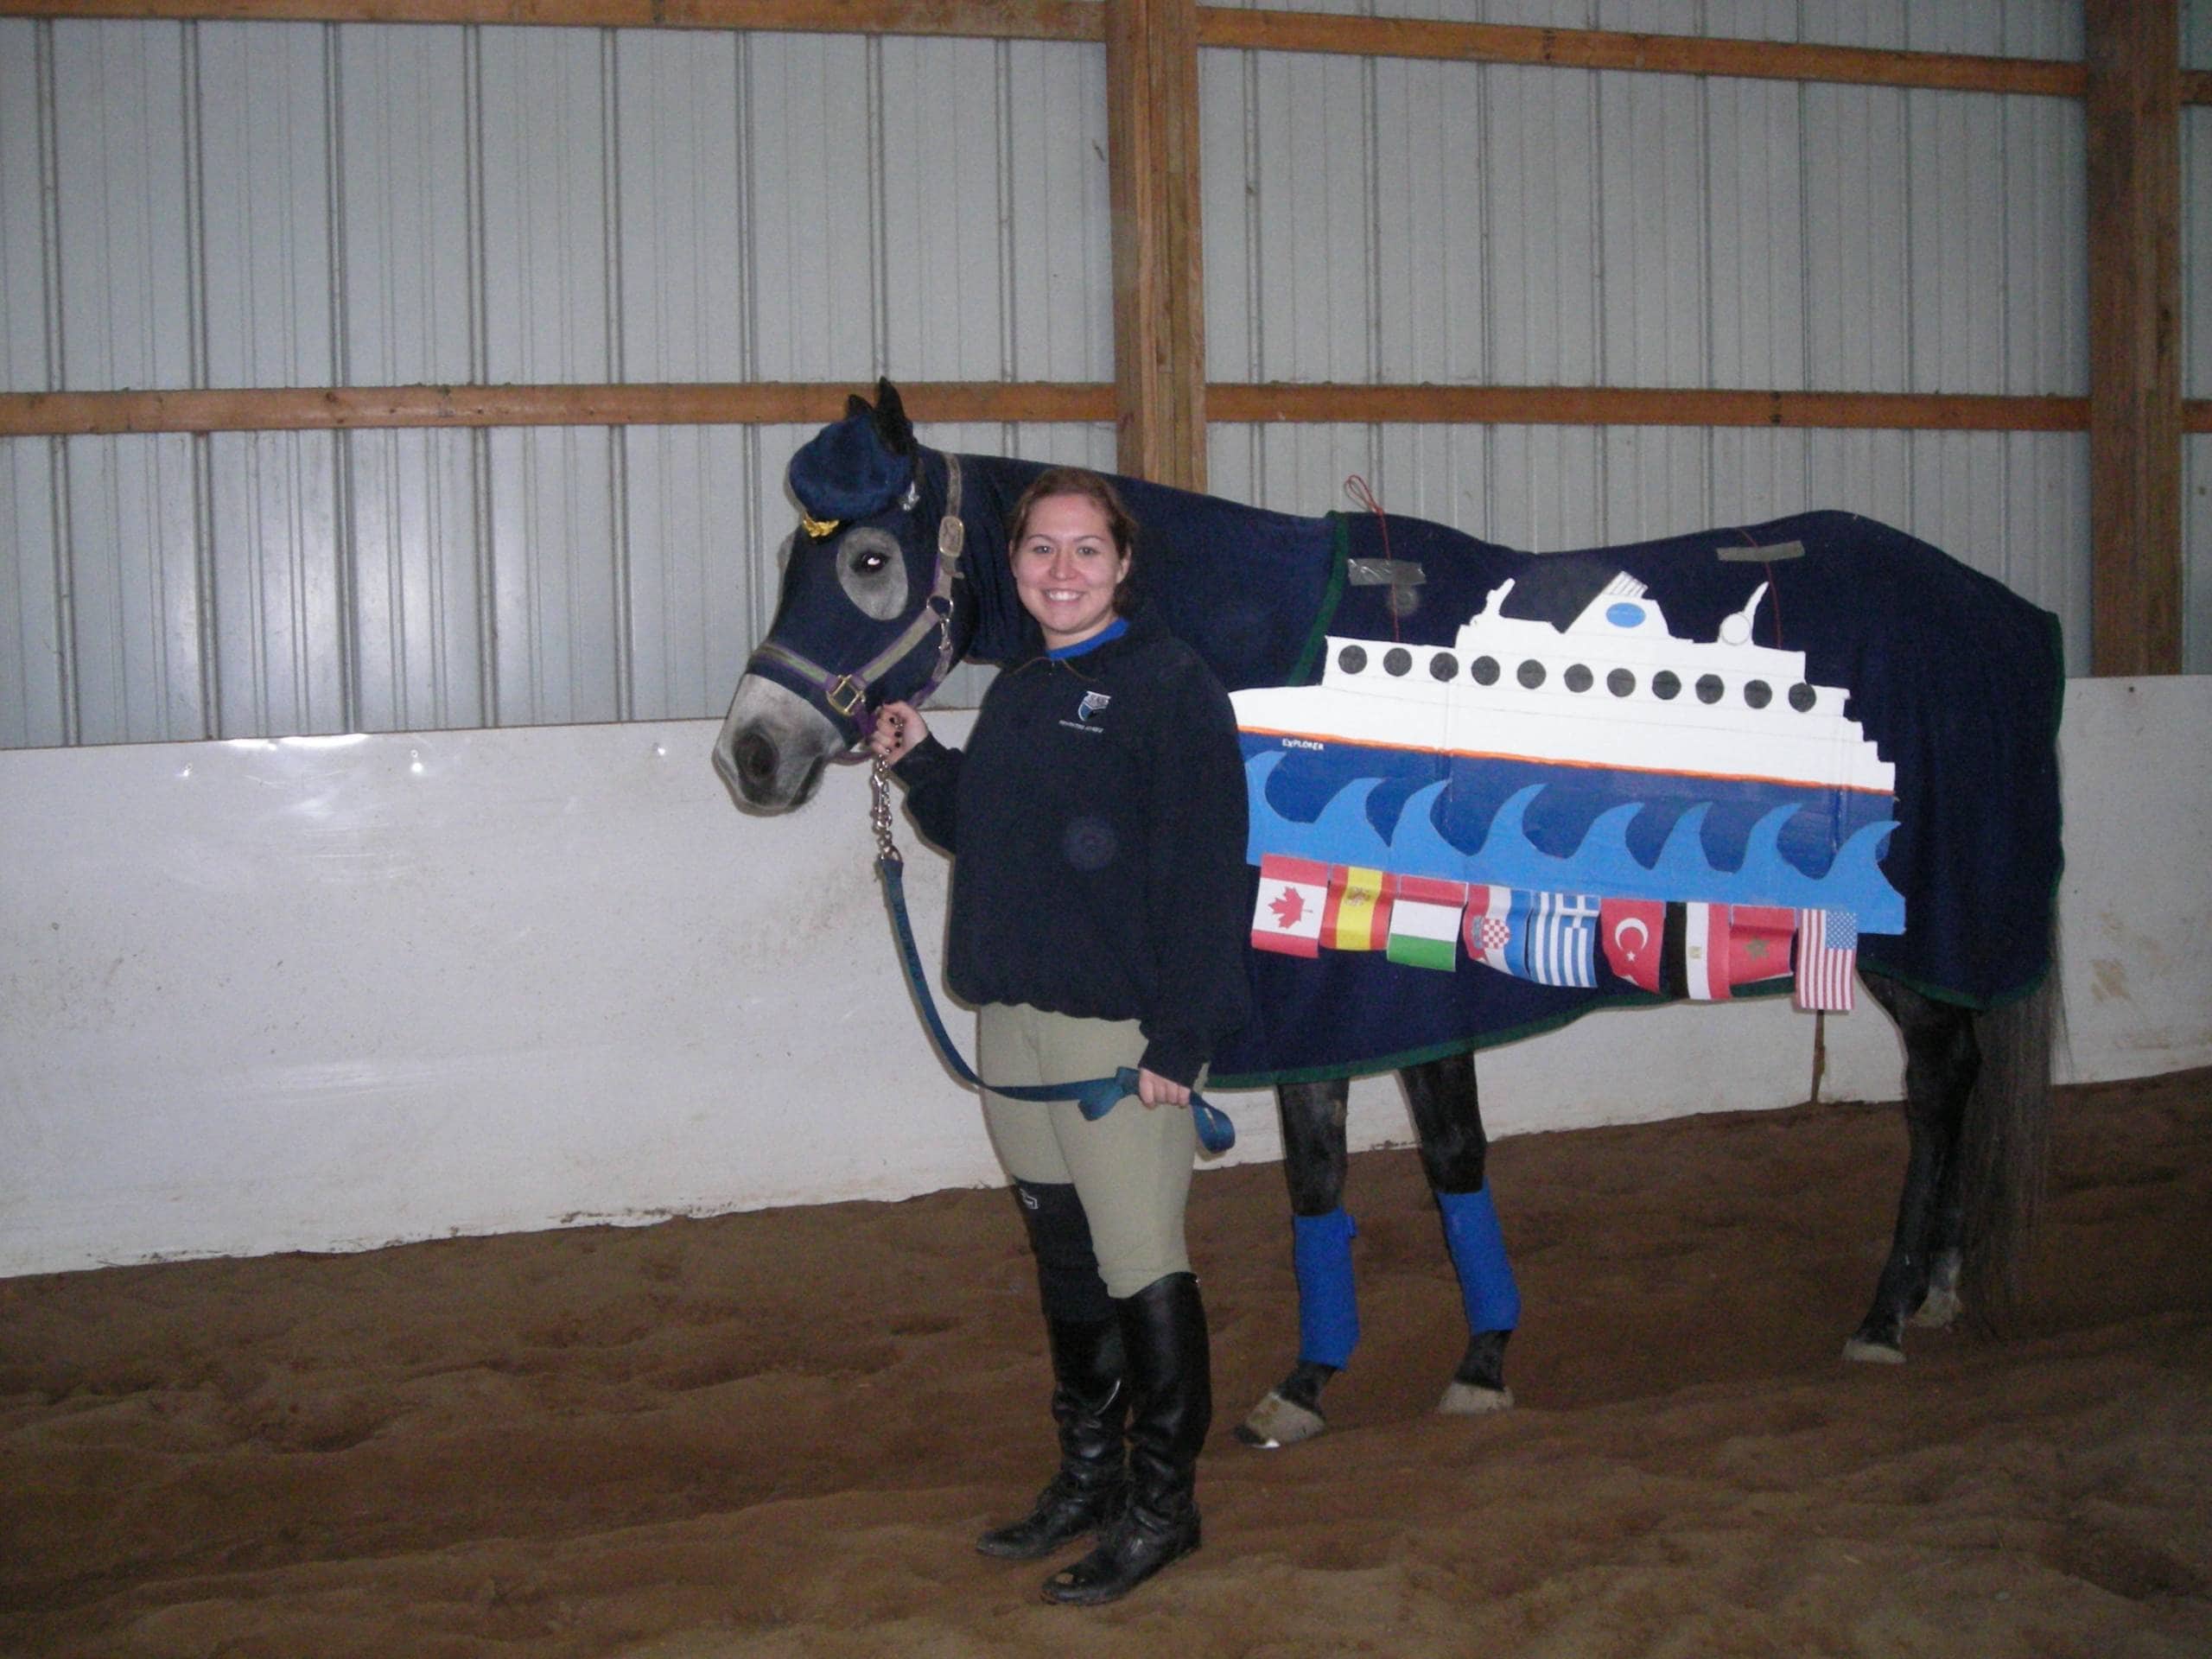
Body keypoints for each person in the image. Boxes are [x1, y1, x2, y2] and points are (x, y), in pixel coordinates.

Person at [868, 466, 1251, 1606]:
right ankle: (1087, 1477)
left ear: (1123, 564)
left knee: (1142, 1266)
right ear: (1018, 565)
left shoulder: (1171, 688)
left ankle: (1162, 1505)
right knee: (1068, 1262)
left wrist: (1182, 1040)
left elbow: (1204, 876)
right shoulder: (1025, 687)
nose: (1063, 570)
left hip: (1116, 1042)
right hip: (1016, 1029)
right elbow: (984, 831)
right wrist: (920, 760)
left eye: (1087, 549)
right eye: (1042, 549)